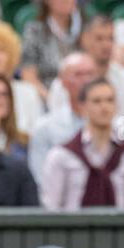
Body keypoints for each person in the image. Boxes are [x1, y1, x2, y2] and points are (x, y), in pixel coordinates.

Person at [40, 78, 124, 211]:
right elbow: (51, 206)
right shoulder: (61, 156)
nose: (104, 107)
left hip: (120, 230)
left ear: (117, 106)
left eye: (110, 100)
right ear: (83, 106)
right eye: (96, 101)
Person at [50, 14, 124, 149]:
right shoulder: (62, 84)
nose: (106, 44)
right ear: (84, 39)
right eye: (99, 38)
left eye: (110, 39)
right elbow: (57, 128)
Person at [27, 51, 97, 183]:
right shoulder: (44, 127)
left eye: (90, 74)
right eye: (78, 74)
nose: (86, 80)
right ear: (63, 81)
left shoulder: (117, 124)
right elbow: (40, 177)